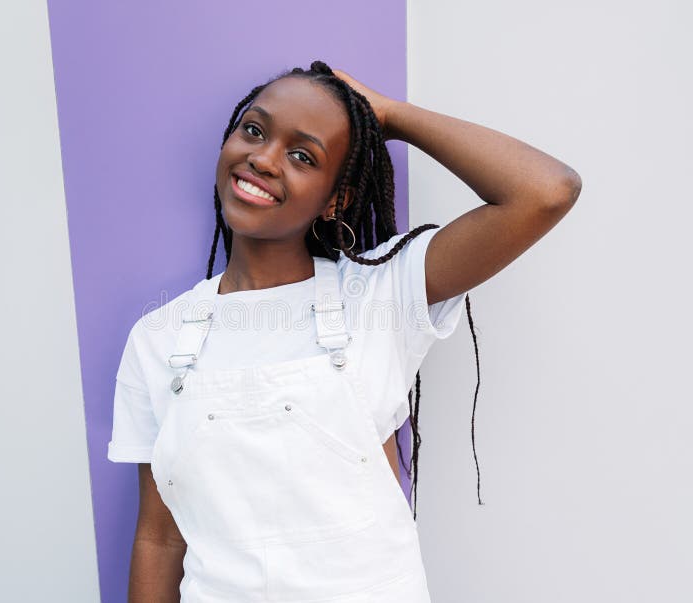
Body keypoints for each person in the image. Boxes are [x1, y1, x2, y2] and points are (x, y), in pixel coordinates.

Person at [107, 60, 582, 602]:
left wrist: (392, 116)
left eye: (303, 155)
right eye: (254, 130)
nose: (262, 158)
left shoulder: (382, 293)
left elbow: (546, 191)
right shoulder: (159, 337)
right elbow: (160, 538)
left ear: (336, 199)